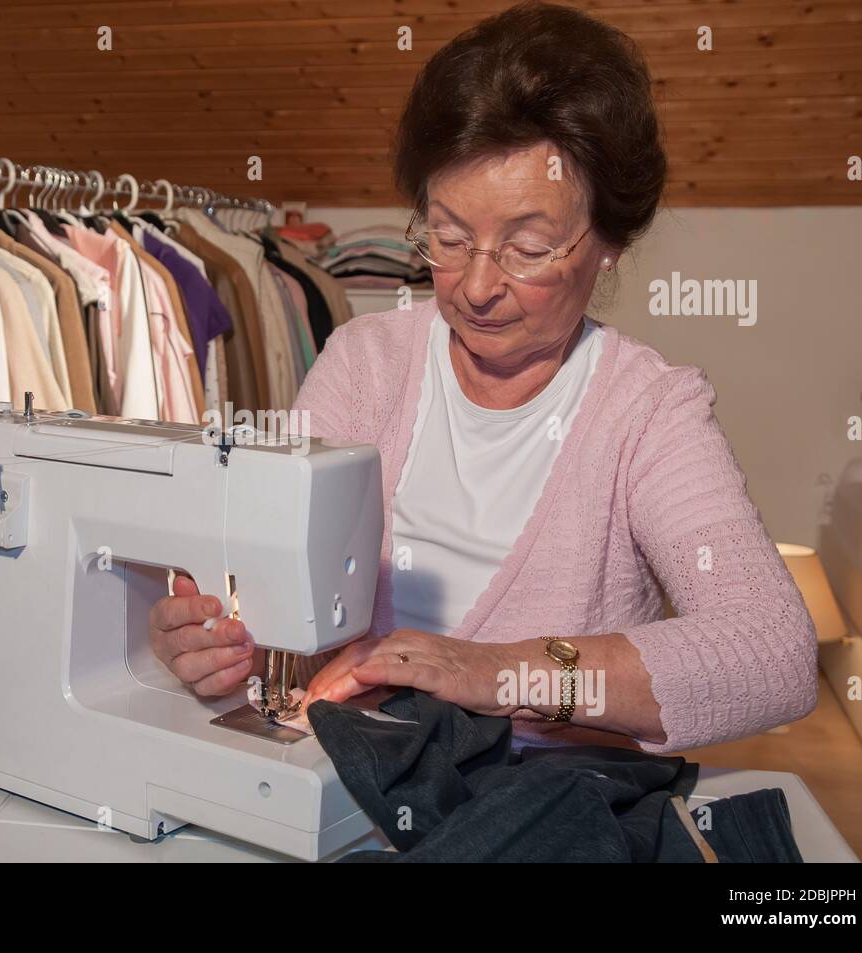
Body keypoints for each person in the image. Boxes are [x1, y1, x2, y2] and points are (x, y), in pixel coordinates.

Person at [149, 1, 816, 753]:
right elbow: (268, 593)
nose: (475, 286)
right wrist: (216, 639)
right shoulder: (366, 364)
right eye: (448, 237)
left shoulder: (649, 414)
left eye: (528, 247)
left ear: (609, 246)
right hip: (348, 786)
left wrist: (495, 671)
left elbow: (772, 652)